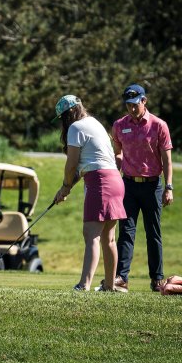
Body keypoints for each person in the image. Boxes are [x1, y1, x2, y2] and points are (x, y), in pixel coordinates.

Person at [51, 95, 127, 292]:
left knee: (91, 235)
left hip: (100, 182)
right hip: (115, 180)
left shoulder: (76, 128)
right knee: (108, 238)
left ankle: (84, 285)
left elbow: (72, 164)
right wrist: (66, 188)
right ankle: (109, 286)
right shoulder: (94, 123)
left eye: (62, 118)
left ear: (68, 114)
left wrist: (65, 185)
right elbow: (86, 165)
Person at [110, 83, 174, 292]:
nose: (131, 108)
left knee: (153, 233)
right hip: (128, 185)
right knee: (126, 232)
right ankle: (121, 278)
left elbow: (167, 160)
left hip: (152, 185)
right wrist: (114, 172)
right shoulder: (119, 125)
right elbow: (118, 153)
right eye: (128, 104)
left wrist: (169, 187)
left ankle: (157, 279)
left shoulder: (158, 125)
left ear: (144, 101)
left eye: (135, 104)